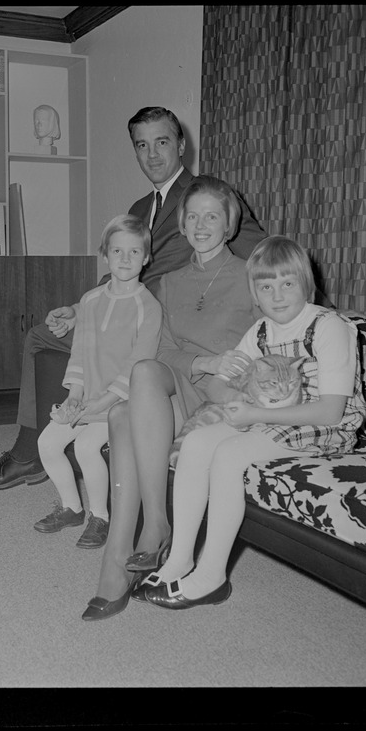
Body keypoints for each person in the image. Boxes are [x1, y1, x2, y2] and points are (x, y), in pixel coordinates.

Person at [0, 106, 270, 491]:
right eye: (142, 146)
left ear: (181, 145)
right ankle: (44, 447)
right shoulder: (140, 209)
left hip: (157, 323)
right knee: (42, 335)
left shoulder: (206, 197)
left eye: (162, 142)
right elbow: (121, 271)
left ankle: (28, 454)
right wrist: (80, 310)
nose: (153, 155)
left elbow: (264, 253)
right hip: (121, 308)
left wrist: (305, 313)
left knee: (52, 342)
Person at [142, 236, 366, 610]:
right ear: (255, 294)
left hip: (323, 424)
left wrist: (255, 415)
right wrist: (234, 399)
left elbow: (330, 411)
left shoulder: (329, 326)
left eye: (287, 284)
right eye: (266, 287)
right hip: (269, 416)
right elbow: (218, 382)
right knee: (198, 443)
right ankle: (179, 559)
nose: (277, 296)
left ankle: (212, 576)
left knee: (230, 455)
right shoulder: (261, 331)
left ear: (306, 284)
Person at [81, 174, 263, 620]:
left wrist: (234, 368)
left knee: (124, 414)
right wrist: (204, 363)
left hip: (222, 400)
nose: (201, 225)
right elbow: (159, 351)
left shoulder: (251, 276)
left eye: (212, 216)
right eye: (193, 216)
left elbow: (273, 339)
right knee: (143, 372)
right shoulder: (168, 283)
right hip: (184, 388)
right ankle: (156, 524)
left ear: (230, 224)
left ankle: (117, 562)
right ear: (181, 225)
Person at [33, 214, 162, 550]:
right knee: (47, 443)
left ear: (146, 257)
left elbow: (139, 363)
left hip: (119, 404)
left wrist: (101, 403)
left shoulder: (148, 306)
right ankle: (71, 508)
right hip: (86, 397)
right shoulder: (90, 301)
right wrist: (74, 397)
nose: (125, 259)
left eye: (134, 252)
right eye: (117, 251)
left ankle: (100, 516)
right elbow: (79, 353)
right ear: (105, 255)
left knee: (87, 446)